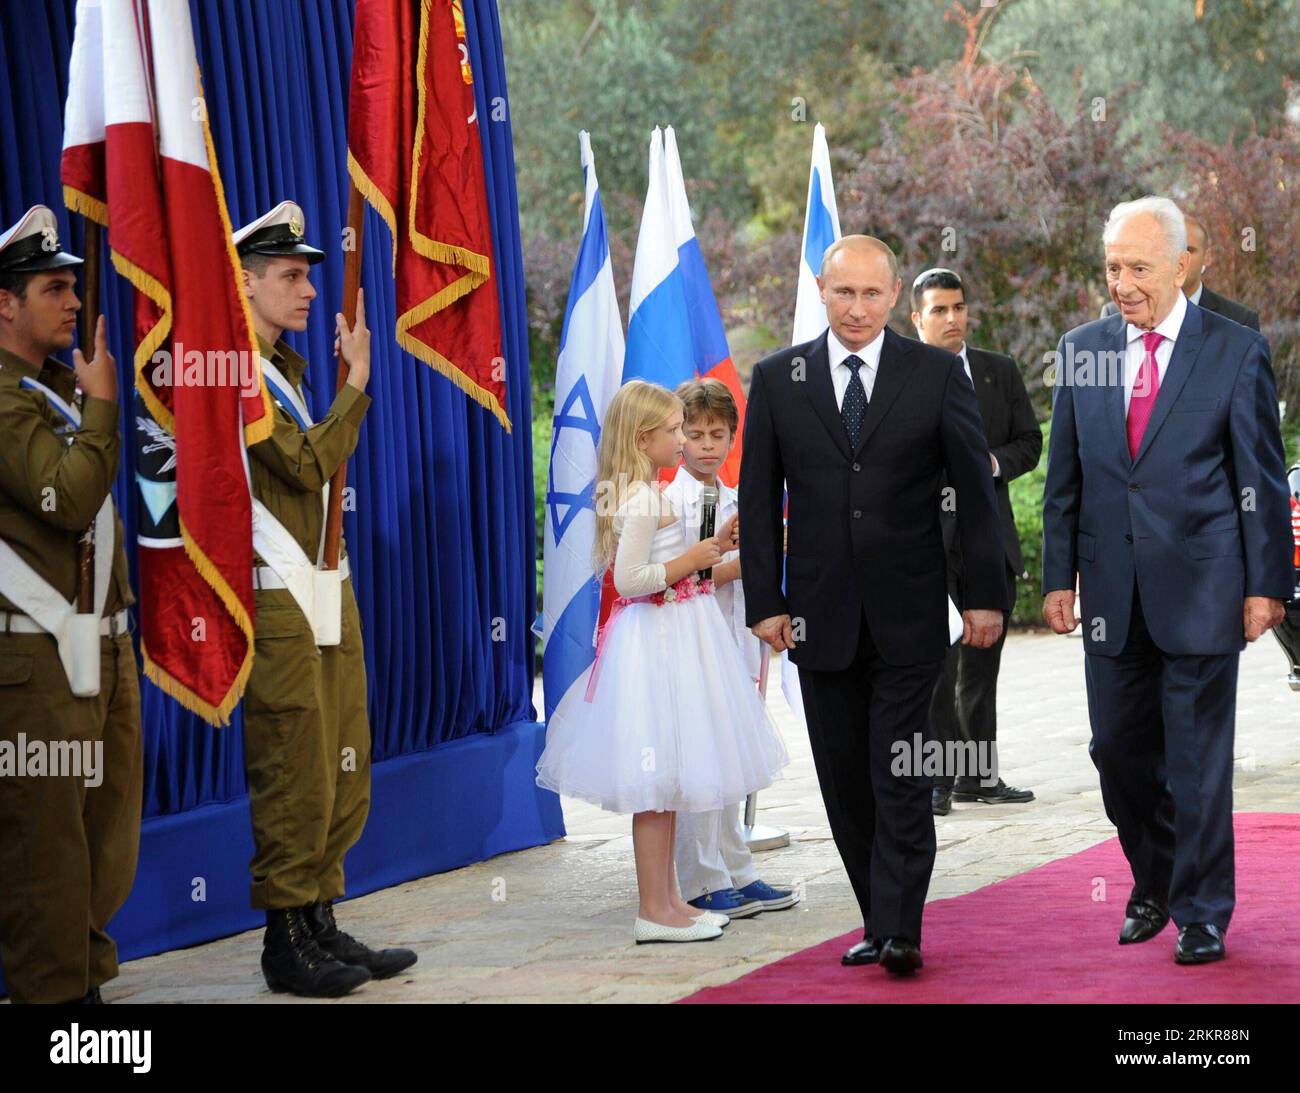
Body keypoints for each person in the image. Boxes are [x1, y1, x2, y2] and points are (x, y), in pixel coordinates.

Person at [740, 235, 1008, 975]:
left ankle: (901, 928)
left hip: (910, 613)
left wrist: (986, 595)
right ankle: (874, 913)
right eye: (842, 293)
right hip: (816, 619)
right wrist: (765, 601)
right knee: (846, 780)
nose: (856, 309)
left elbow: (976, 495)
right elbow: (757, 500)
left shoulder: (933, 373)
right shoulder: (778, 379)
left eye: (870, 294)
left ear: (894, 297)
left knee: (900, 769)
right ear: (822, 291)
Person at [1042, 195, 1292, 965]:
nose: (1122, 282)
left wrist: (1266, 586)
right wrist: (1059, 576)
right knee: (1115, 750)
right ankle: (1152, 877)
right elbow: (1066, 477)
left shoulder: (1235, 348)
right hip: (1113, 594)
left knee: (1196, 760)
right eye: (1113, 266)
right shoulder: (1080, 348)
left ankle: (1202, 909)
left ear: (1182, 264)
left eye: (1139, 267)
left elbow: (1262, 479)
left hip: (1205, 588)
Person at [235, 200, 415, 996]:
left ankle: (318, 913)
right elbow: (303, 466)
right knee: (295, 763)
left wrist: (340, 388)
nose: (308, 291)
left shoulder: (289, 375)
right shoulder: (233, 378)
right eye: (289, 276)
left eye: (310, 274)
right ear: (242, 285)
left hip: (323, 587)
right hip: (276, 594)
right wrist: (359, 386)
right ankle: (284, 936)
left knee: (344, 756)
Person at [536, 380, 789, 944]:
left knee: (671, 777)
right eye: (677, 430)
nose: (684, 442)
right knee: (656, 783)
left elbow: (663, 567)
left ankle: (671, 900)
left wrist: (713, 546)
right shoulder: (646, 498)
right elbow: (631, 581)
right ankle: (656, 907)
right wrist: (698, 559)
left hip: (674, 633)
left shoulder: (645, 490)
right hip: (656, 643)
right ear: (643, 437)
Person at [0, 205, 141, 1003]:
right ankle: (57, 1005)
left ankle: (83, 990)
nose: (74, 302)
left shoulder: (55, 390)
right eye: (54, 288)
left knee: (105, 844)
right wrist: (103, 410)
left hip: (102, 646)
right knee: (47, 855)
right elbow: (68, 497)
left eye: (74, 288)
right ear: (5, 304)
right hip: (37, 658)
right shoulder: (8, 400)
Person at [665, 378, 799, 919]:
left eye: (716, 434)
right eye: (694, 434)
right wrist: (743, 563)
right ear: (677, 438)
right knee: (700, 762)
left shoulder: (739, 499)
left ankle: (736, 867)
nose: (705, 445)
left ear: (732, 437)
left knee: (733, 762)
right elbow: (670, 579)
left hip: (738, 640)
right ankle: (699, 877)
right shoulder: (669, 502)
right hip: (692, 643)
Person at [909, 268, 1041, 815]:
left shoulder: (998, 372)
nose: (952, 319)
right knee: (935, 669)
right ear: (917, 318)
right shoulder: (901, 376)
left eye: (959, 307)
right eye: (939, 310)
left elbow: (1029, 443)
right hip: (923, 544)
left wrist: (991, 462)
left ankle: (977, 776)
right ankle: (936, 780)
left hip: (988, 540)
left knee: (981, 666)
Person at [1100, 211, 1259, 331]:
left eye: (1189, 250)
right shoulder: (1115, 312)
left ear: (1207, 256)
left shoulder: (1239, 320)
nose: (1179, 260)